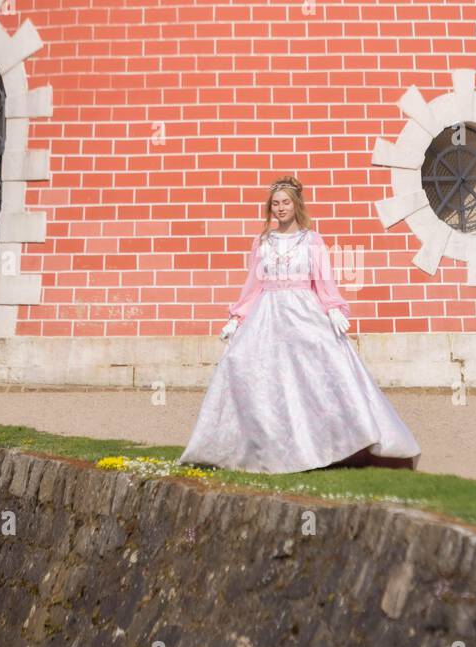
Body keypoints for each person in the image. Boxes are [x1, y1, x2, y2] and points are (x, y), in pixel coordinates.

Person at [177, 176, 421, 473]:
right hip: (267, 314)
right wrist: (237, 318)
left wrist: (332, 308)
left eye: (285, 203)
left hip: (304, 312)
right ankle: (260, 446)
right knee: (244, 365)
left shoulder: (312, 240)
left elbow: (323, 280)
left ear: (296, 205)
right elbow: (253, 285)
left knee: (322, 368)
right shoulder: (262, 242)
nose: (280, 208)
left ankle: (332, 442)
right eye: (275, 203)